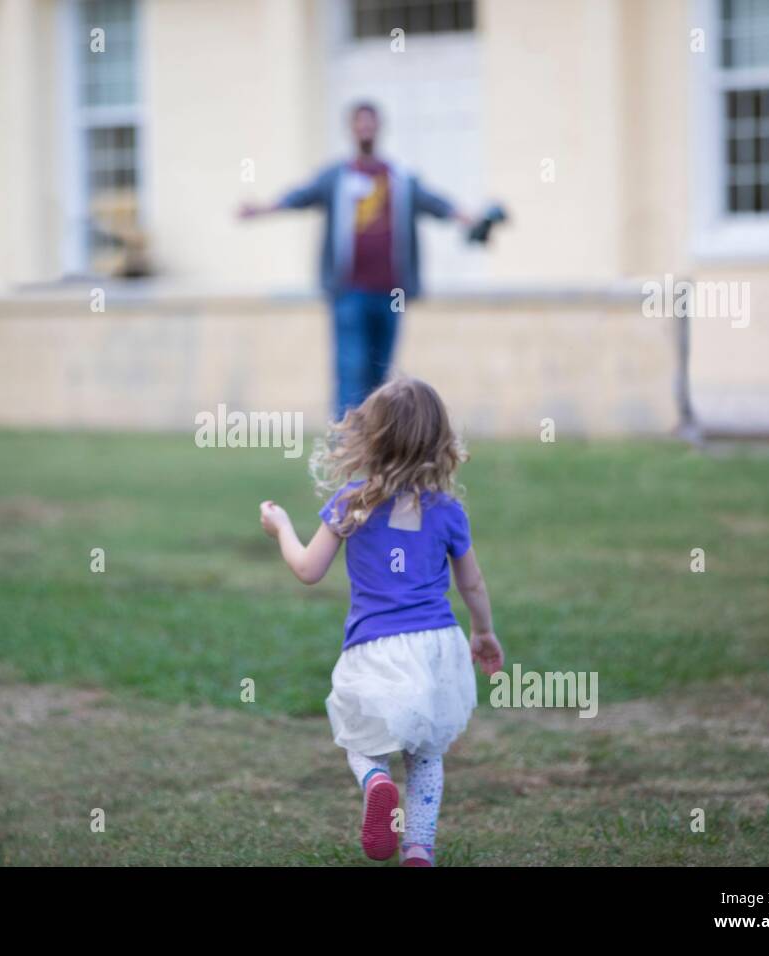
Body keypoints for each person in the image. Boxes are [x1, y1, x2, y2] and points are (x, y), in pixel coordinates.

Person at [257, 377, 504, 867]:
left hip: (375, 646)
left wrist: (282, 527)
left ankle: (375, 782)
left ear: (370, 438)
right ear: (439, 443)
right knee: (427, 756)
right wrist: (483, 633)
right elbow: (472, 584)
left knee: (361, 739)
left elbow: (308, 570)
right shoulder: (448, 512)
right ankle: (417, 848)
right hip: (436, 646)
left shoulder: (351, 503)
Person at [240, 102, 476, 420]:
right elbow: (300, 197)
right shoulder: (336, 177)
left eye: (370, 123)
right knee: (351, 371)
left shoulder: (400, 177)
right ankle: (346, 448)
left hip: (393, 293)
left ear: (379, 128)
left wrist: (469, 218)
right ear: (351, 129)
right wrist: (263, 210)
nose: (365, 129)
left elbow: (435, 203)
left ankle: (375, 447)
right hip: (349, 292)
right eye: (359, 123)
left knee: (381, 378)